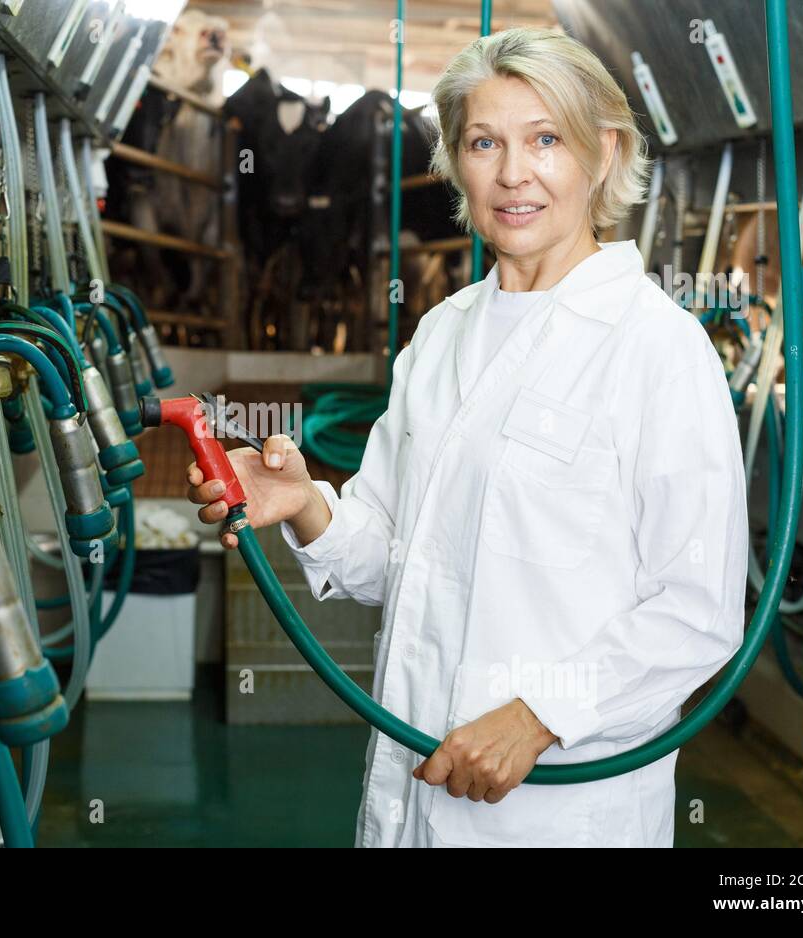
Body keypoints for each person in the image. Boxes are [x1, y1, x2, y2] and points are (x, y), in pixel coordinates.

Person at [187, 27, 747, 847]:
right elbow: (395, 555)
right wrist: (307, 504)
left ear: (603, 154)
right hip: (412, 794)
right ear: (454, 161)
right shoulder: (441, 336)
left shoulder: (657, 348)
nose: (513, 173)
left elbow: (697, 611)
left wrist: (540, 718)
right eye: (485, 142)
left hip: (559, 815)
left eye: (545, 139)